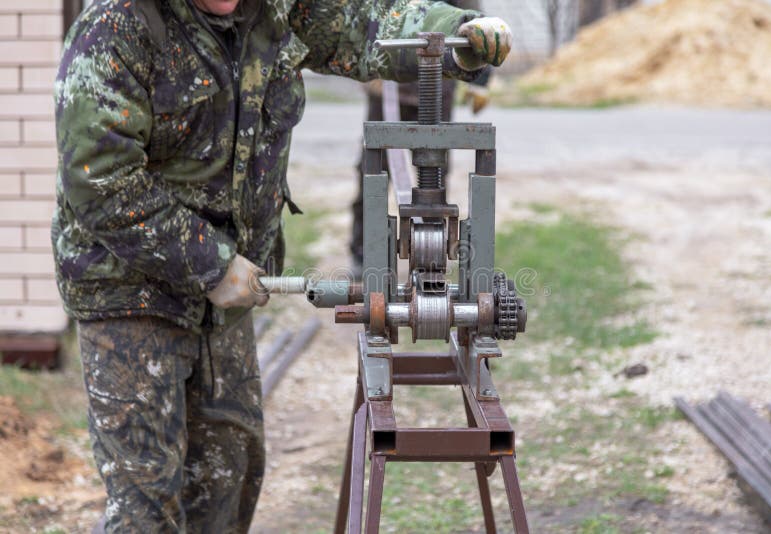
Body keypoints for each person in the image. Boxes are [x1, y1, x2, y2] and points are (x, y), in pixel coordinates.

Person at [53, 0, 511, 531]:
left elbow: (367, 26)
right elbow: (100, 179)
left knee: (228, 483)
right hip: (129, 293)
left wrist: (458, 33)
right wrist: (213, 264)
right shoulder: (117, 27)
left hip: (224, 303)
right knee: (146, 506)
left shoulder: (277, 8)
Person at [349, 0, 492, 272]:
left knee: (433, 172)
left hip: (438, 79)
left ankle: (430, 256)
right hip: (387, 81)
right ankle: (362, 252)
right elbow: (365, 12)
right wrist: (366, 64)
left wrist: (482, 80)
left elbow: (472, 18)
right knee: (372, 170)